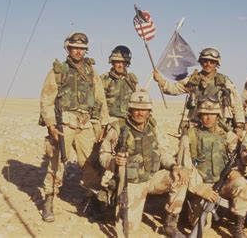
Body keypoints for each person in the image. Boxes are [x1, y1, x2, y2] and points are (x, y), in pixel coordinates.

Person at [39, 31, 110, 222]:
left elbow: (100, 98)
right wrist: (51, 125)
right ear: (68, 48)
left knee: (90, 163)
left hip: (86, 123)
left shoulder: (91, 72)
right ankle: (49, 199)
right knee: (57, 161)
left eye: (82, 49)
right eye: (75, 48)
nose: (78, 51)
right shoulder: (58, 70)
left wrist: (103, 123)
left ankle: (90, 200)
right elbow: (46, 99)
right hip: (64, 123)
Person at [99, 90, 189, 237]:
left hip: (152, 178)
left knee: (180, 178)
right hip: (131, 183)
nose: (140, 113)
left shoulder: (153, 127)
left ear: (149, 111)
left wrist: (174, 167)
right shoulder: (118, 128)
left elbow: (163, 152)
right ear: (130, 110)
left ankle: (170, 224)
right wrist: (114, 161)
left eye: (144, 110)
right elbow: (103, 155)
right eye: (136, 109)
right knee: (129, 230)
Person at [181, 97, 247, 238]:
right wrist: (201, 189)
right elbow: (185, 167)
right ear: (199, 115)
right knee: (199, 225)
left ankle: (238, 226)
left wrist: (236, 171)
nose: (208, 118)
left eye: (212, 114)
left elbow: (241, 157)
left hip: (223, 183)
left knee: (242, 185)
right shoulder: (190, 136)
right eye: (204, 114)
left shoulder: (226, 135)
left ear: (218, 116)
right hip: (201, 187)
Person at [153, 47, 245, 135]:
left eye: (212, 62)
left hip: (217, 125)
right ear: (201, 62)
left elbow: (236, 103)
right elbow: (174, 89)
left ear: (217, 64)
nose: (208, 64)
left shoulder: (224, 81)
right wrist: (161, 80)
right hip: (195, 125)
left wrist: (239, 125)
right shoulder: (193, 80)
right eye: (205, 61)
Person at [101, 45, 138, 125]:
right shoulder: (104, 79)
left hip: (128, 121)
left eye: (123, 62)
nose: (120, 65)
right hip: (110, 120)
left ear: (127, 63)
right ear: (112, 62)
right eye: (117, 62)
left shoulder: (132, 79)